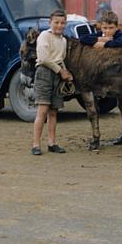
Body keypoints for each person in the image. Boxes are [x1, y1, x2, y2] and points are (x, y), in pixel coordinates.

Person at [79, 10, 122, 145]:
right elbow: (83, 39)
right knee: (121, 104)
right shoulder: (100, 35)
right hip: (114, 75)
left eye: (111, 28)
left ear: (116, 27)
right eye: (105, 28)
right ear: (101, 26)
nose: (107, 31)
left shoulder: (120, 35)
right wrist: (99, 39)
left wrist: (105, 44)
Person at [31, 9, 74, 156]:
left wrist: (66, 74)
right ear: (50, 23)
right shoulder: (44, 36)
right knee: (43, 110)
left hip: (57, 74)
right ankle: (36, 144)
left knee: (54, 111)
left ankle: (52, 143)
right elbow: (44, 58)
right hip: (44, 73)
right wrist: (60, 71)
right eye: (56, 22)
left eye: (62, 23)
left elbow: (60, 59)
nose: (59, 25)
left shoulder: (63, 40)